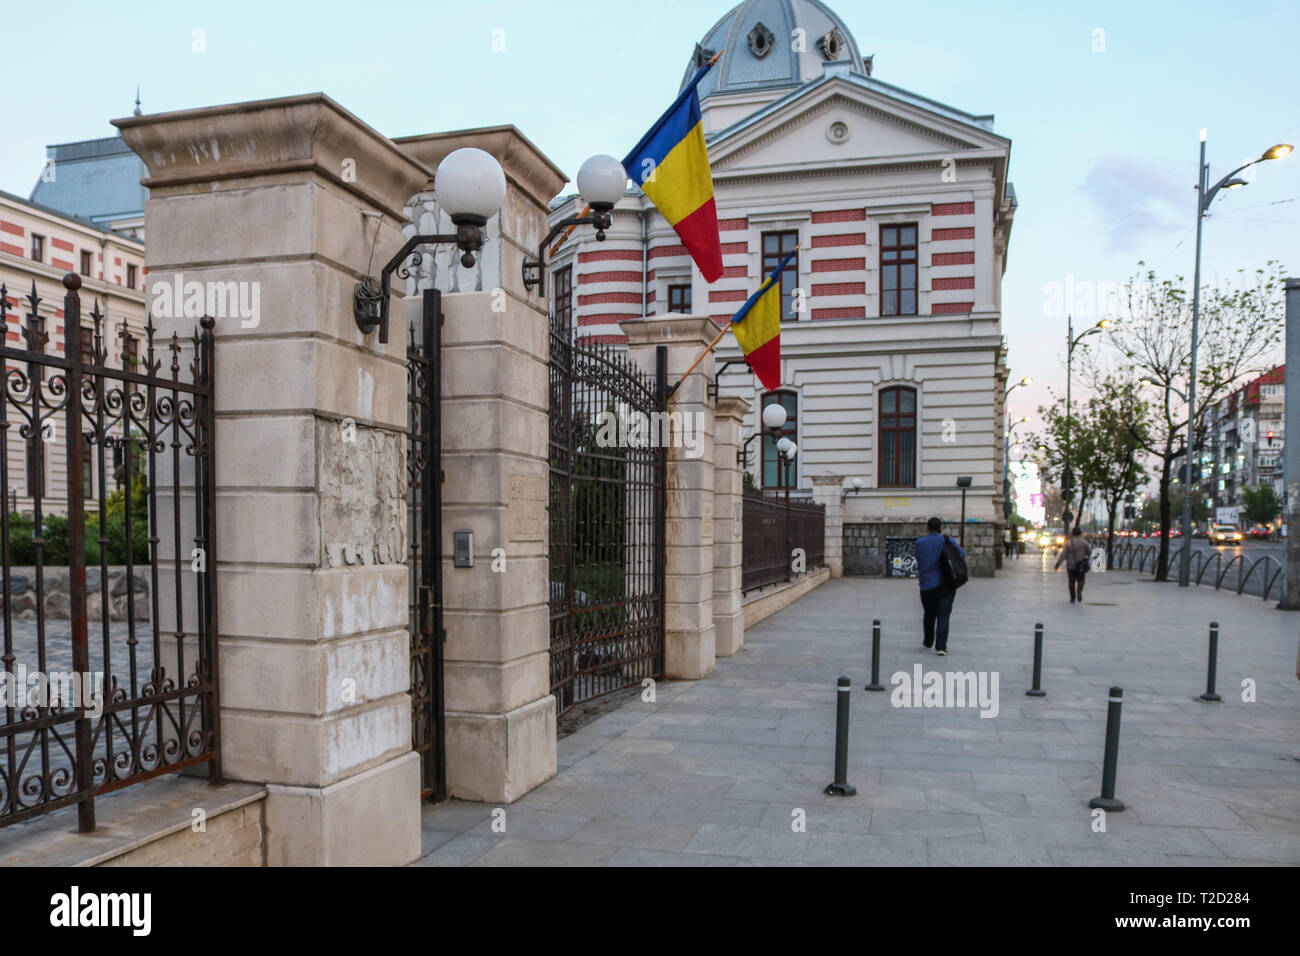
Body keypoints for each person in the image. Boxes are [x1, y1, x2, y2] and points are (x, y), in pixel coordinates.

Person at [914, 517, 963, 656]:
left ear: (927, 528)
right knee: (943, 615)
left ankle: (928, 641)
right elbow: (962, 554)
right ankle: (941, 647)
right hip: (946, 585)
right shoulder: (947, 541)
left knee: (929, 614)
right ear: (941, 528)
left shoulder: (920, 543)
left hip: (927, 585)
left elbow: (918, 558)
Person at [1054, 527, 1092, 603]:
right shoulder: (1084, 542)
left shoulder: (1068, 543)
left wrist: (1058, 563)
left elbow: (1063, 555)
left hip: (1071, 566)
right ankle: (1079, 589)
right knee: (1081, 579)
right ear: (1080, 533)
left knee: (1071, 581)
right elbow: (1089, 551)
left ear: (1072, 534)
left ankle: (1072, 597)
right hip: (1081, 565)